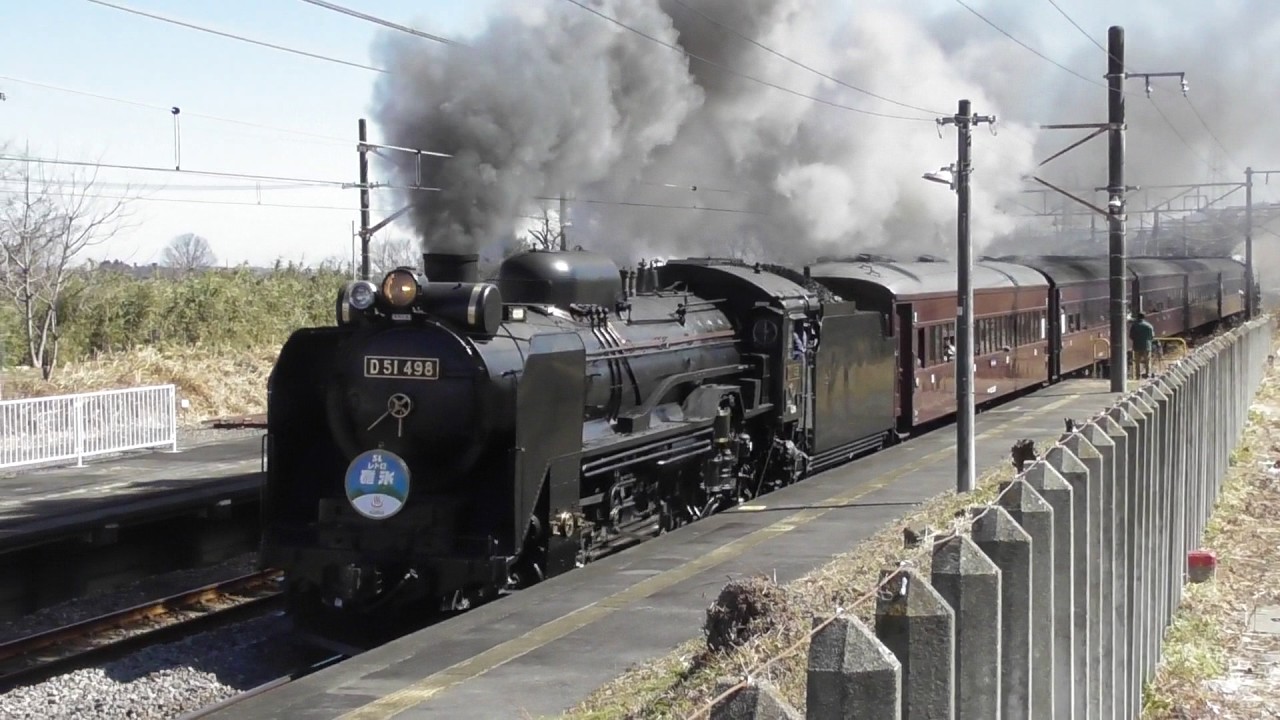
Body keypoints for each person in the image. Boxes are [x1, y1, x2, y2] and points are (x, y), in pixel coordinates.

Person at [1129, 312, 1156, 378]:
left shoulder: (1134, 325)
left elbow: (1131, 336)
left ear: (1137, 317)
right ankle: (1147, 374)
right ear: (1144, 317)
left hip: (1137, 346)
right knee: (1147, 361)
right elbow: (1152, 336)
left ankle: (1137, 376)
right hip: (1147, 346)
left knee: (1137, 362)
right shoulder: (1149, 326)